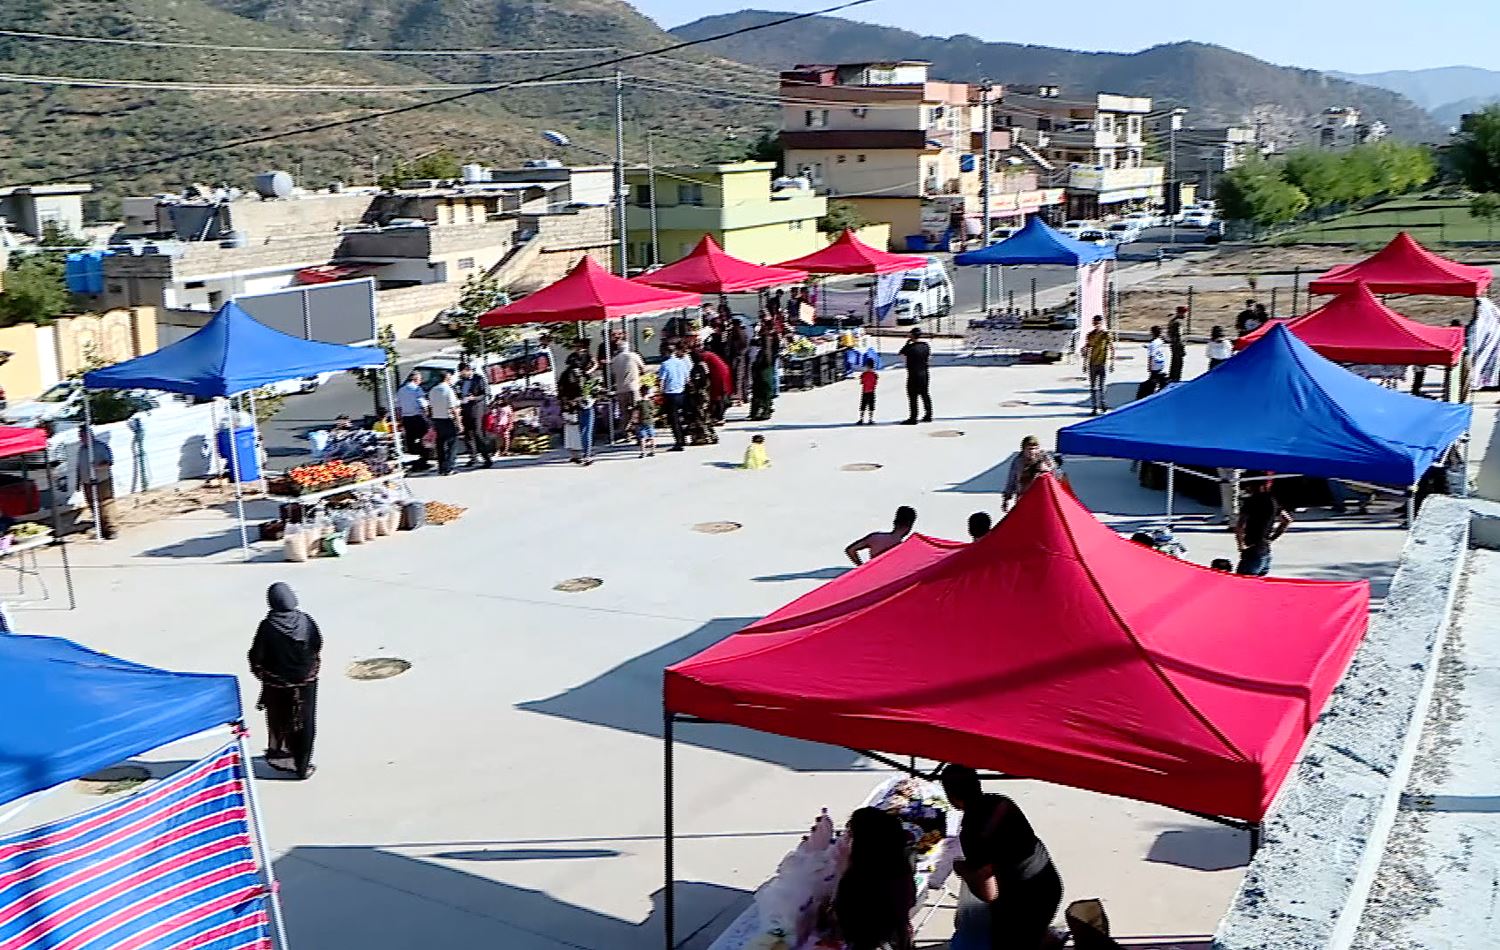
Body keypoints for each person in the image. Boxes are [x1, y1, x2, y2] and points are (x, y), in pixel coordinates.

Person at [941, 765, 1062, 950]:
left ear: (952, 798)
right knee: (1035, 931)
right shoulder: (1002, 802)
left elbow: (988, 893)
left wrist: (963, 870)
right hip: (1048, 882)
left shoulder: (972, 832)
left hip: (1023, 902)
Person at [249, 583, 322, 780]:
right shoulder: (306, 621)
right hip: (306, 684)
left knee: (281, 722)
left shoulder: (268, 626)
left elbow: (256, 656)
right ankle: (302, 765)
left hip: (278, 687)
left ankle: (283, 757)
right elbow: (317, 644)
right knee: (305, 723)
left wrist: (265, 672)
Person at [834, 807, 916, 950]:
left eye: (852, 836)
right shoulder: (900, 868)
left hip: (868, 938)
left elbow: (845, 921)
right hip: (895, 934)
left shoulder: (857, 881)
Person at [1235, 473, 1292, 576]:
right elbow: (1287, 520)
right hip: (1266, 552)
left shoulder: (1251, 502)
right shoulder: (1273, 501)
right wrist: (1272, 538)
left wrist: (1241, 546)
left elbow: (1240, 526)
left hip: (1252, 551)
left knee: (1242, 586)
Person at [76, 425, 117, 539]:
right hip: (87, 482)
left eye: (83, 435)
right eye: (80, 436)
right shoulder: (81, 450)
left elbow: (109, 462)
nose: (81, 438)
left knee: (106, 503)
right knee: (93, 504)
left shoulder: (100, 447)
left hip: (102, 480)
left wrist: (98, 466)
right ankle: (101, 527)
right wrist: (78, 481)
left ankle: (111, 528)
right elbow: (79, 466)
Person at [845, 506, 916, 565]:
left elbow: (850, 550)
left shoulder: (875, 538)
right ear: (909, 525)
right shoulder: (905, 547)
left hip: (874, 574)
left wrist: (862, 567)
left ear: (895, 522)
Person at [1002, 436, 1056, 511]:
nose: (1032, 452)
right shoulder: (1018, 461)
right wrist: (1006, 499)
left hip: (1042, 497)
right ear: (1024, 449)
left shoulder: (1045, 458)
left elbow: (1057, 475)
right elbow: (1011, 480)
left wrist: (1047, 469)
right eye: (1029, 449)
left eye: (1035, 448)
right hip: (1024, 496)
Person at [455, 362, 493, 468]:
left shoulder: (478, 379)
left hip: (477, 409)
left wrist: (474, 398)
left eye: (463, 372)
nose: (462, 374)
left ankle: (486, 458)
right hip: (465, 409)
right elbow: (458, 393)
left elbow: (484, 394)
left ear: (468, 370)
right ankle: (473, 457)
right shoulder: (460, 382)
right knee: (468, 434)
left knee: (478, 433)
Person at [558, 365, 595, 466]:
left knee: (572, 432)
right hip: (583, 407)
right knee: (585, 431)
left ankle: (576, 455)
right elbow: (592, 391)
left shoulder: (564, 377)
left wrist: (567, 404)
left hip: (570, 410)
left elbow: (561, 395)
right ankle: (586, 455)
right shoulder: (583, 377)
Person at [394, 371, 431, 471]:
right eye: (420, 379)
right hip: (418, 417)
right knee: (423, 439)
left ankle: (414, 463)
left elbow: (398, 407)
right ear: (415, 380)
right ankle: (423, 462)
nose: (421, 381)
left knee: (410, 441)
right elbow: (423, 404)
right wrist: (427, 416)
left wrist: (400, 420)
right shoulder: (417, 389)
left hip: (406, 419)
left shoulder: (400, 390)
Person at [427, 370, 462, 476]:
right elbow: (453, 408)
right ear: (447, 378)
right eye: (450, 378)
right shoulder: (448, 390)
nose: (451, 380)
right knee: (452, 444)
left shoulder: (433, 390)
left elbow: (430, 407)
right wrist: (459, 423)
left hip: (437, 419)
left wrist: (432, 421)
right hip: (447, 419)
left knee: (440, 444)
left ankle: (441, 467)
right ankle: (449, 467)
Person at [658, 343, 692, 451]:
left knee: (674, 419)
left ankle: (679, 441)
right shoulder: (681, 363)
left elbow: (662, 381)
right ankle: (685, 436)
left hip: (670, 394)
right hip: (682, 393)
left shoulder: (665, 364)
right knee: (683, 417)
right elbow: (687, 379)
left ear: (667, 352)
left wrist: (660, 393)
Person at [684, 350, 719, 445]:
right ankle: (711, 436)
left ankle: (704, 437)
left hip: (700, 397)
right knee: (706, 417)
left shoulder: (697, 369)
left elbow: (697, 384)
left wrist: (689, 388)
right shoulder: (704, 367)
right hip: (705, 396)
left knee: (700, 418)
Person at [899, 327, 932, 424]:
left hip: (913, 374)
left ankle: (913, 417)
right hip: (924, 373)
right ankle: (928, 415)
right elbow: (929, 357)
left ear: (912, 335)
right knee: (925, 394)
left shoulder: (910, 347)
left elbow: (901, 354)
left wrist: (907, 343)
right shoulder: (926, 346)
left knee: (913, 396)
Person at [612, 339, 647, 429]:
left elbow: (613, 373)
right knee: (637, 410)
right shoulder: (633, 356)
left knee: (623, 412)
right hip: (633, 387)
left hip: (620, 389)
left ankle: (625, 431)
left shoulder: (615, 359)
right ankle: (638, 433)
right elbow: (643, 368)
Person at [1081, 316, 1113, 414]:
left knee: (1102, 386)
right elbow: (1087, 349)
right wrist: (1085, 363)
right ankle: (1094, 407)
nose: (1096, 325)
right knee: (1093, 386)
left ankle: (1102, 404)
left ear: (1101, 323)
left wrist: (1112, 363)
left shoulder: (1106, 335)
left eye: (1098, 323)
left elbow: (1111, 348)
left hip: (1102, 363)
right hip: (1092, 363)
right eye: (1095, 323)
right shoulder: (1090, 335)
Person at [749, 331, 778, 421]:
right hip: (766, 376)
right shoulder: (769, 351)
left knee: (760, 395)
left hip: (761, 376)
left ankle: (761, 413)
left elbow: (758, 364)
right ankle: (766, 411)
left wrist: (754, 366)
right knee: (765, 395)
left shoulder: (764, 353)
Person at [700, 345, 732, 424]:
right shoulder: (711, 355)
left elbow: (703, 368)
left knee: (718, 396)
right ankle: (718, 416)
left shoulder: (705, 355)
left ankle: (719, 417)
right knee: (719, 395)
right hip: (722, 373)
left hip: (719, 375)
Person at [1140, 325, 1168, 397]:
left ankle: (1150, 394)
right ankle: (1162, 386)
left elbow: (1151, 355)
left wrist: (1149, 366)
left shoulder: (1153, 343)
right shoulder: (1160, 341)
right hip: (1161, 362)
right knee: (1158, 377)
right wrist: (1148, 347)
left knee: (1153, 379)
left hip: (1155, 364)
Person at [728, 317, 751, 404]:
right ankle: (743, 395)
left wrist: (740, 355)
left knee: (739, 377)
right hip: (738, 357)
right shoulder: (737, 333)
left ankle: (739, 396)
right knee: (740, 377)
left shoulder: (739, 333)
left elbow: (744, 346)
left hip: (739, 358)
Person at [635, 385, 657, 458]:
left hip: (641, 422)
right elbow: (653, 412)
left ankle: (643, 452)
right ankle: (653, 451)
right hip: (650, 422)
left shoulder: (639, 403)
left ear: (640, 393)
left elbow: (636, 411)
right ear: (648, 393)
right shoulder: (651, 402)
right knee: (652, 436)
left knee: (642, 438)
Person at [857, 356, 879, 425]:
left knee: (863, 405)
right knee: (871, 405)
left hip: (865, 391)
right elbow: (875, 383)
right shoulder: (875, 375)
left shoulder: (864, 374)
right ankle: (870, 419)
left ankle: (861, 419)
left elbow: (862, 382)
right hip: (871, 391)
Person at [1167, 309, 1187, 383]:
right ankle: (1176, 380)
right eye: (1184, 313)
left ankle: (1171, 378)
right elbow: (1179, 336)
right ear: (1180, 313)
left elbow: (1169, 334)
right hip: (1178, 345)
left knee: (1174, 362)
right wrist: (1182, 348)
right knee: (1178, 364)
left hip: (1173, 344)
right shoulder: (1178, 322)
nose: (1185, 315)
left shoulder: (1172, 321)